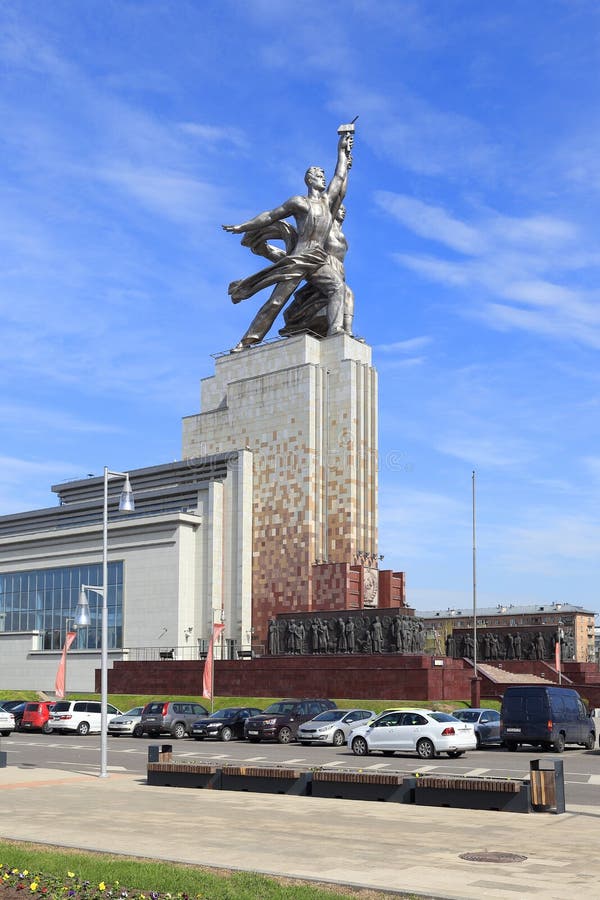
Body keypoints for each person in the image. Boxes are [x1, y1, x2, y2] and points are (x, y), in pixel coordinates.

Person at [223, 127, 354, 351]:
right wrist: (243, 226)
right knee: (276, 301)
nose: (323, 179)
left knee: (337, 288)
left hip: (318, 258)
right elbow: (271, 215)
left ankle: (336, 332)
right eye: (319, 176)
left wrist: (342, 151)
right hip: (299, 256)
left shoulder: (327, 202)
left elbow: (340, 177)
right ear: (310, 180)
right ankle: (247, 342)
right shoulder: (299, 203)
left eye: (323, 176)